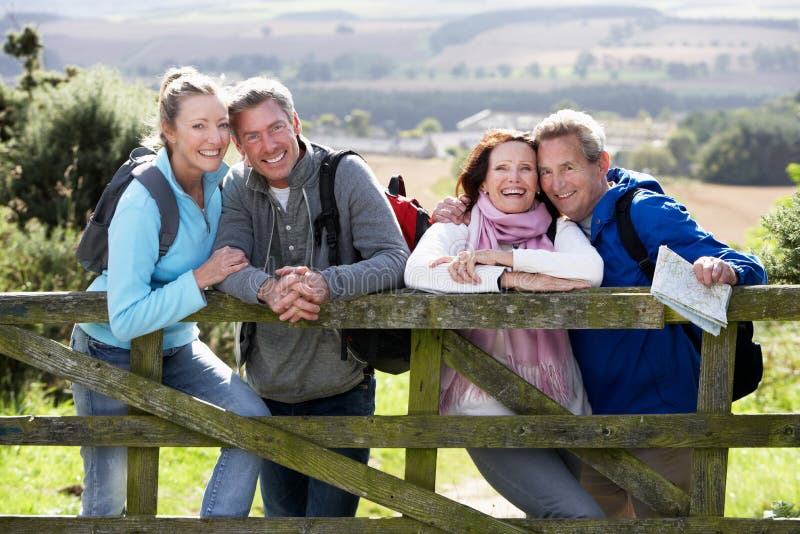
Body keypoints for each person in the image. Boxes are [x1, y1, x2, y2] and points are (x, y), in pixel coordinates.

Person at [433, 109, 768, 518]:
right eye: (546, 171)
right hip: (589, 425)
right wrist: (458, 207)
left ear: (601, 164)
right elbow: (500, 202)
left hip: (660, 419)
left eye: (568, 168)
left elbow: (743, 264)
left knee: (672, 526)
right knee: (591, 524)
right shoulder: (552, 221)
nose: (557, 183)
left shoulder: (642, 212)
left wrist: (725, 269)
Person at [70, 67, 270, 517]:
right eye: (198, 126)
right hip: (107, 349)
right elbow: (126, 319)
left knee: (252, 425)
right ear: (169, 131)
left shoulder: (225, 184)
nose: (215, 138)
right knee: (108, 497)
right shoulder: (142, 201)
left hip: (177, 344)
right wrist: (200, 277)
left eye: (222, 124)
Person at [212, 77, 408, 518]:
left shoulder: (345, 173)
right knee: (281, 522)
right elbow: (227, 264)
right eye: (252, 136)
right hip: (265, 391)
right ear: (239, 146)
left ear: (296, 123)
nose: (268, 145)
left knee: (330, 525)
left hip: (341, 387)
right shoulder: (237, 185)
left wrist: (327, 284)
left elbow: (395, 257)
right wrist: (267, 289)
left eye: (276, 128)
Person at [405, 129, 604, 518]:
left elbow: (589, 271)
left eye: (526, 168)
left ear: (538, 181)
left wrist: (502, 258)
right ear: (483, 180)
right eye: (502, 168)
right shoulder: (459, 227)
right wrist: (508, 280)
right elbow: (418, 271)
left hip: (562, 404)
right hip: (486, 409)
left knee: (552, 521)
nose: (514, 178)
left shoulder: (556, 227)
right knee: (580, 517)